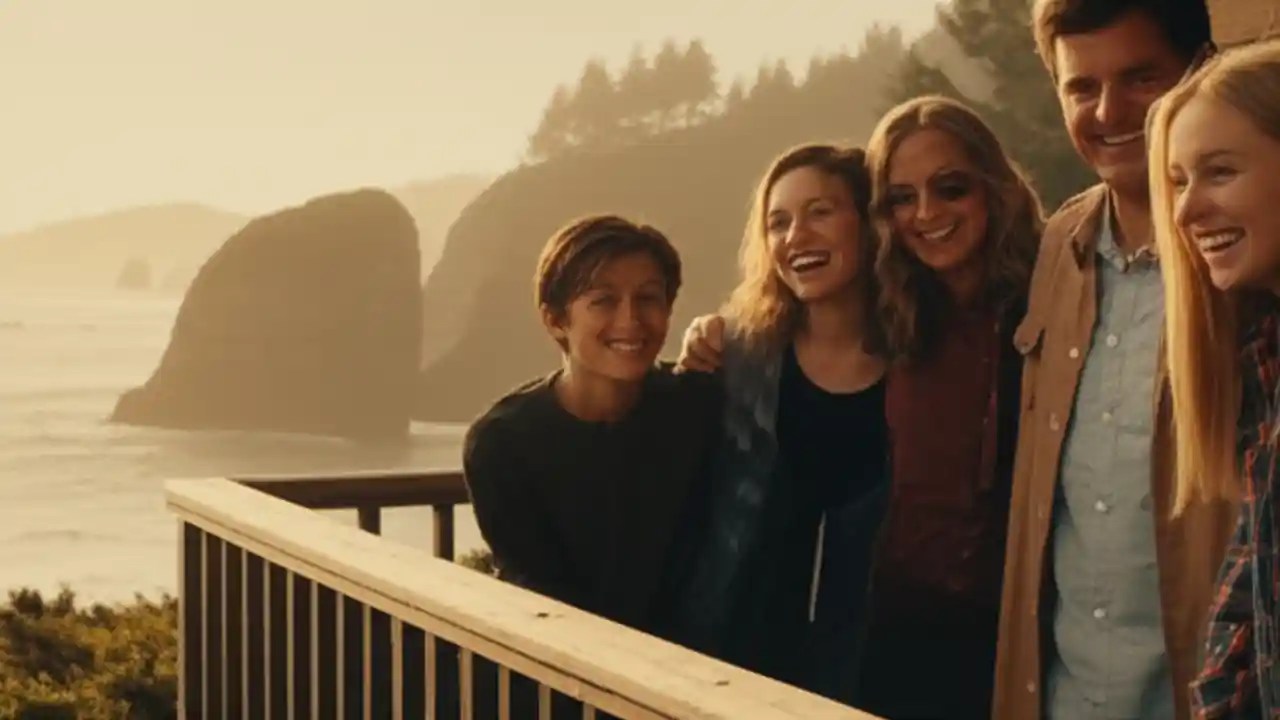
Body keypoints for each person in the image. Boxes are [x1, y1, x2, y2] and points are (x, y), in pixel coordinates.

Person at [992, 1, 1236, 718]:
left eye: (1139, 78)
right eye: (1080, 88)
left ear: (1200, 70)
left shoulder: (1247, 253)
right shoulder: (1060, 245)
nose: (1108, 111)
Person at [675, 143, 889, 703]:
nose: (796, 236)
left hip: (881, 662)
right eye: (778, 222)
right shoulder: (740, 356)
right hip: (738, 657)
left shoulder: (925, 355)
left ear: (868, 223)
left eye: (820, 211)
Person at [851, 95, 1042, 720]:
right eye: (902, 197)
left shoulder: (1058, 292)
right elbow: (784, 310)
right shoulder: (880, 307)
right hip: (903, 626)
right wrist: (711, 334)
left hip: (1026, 627)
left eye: (950, 188)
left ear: (992, 185)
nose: (926, 215)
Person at [462, 214, 719, 635]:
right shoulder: (503, 443)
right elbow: (537, 592)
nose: (630, 320)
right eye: (603, 300)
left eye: (649, 298)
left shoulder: (699, 403)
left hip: (702, 673)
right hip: (561, 674)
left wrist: (718, 329)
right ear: (556, 319)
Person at [1147, 39, 1280, 718]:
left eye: (1219, 172)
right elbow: (1245, 621)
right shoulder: (1262, 361)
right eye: (1177, 182)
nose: (1184, 212)